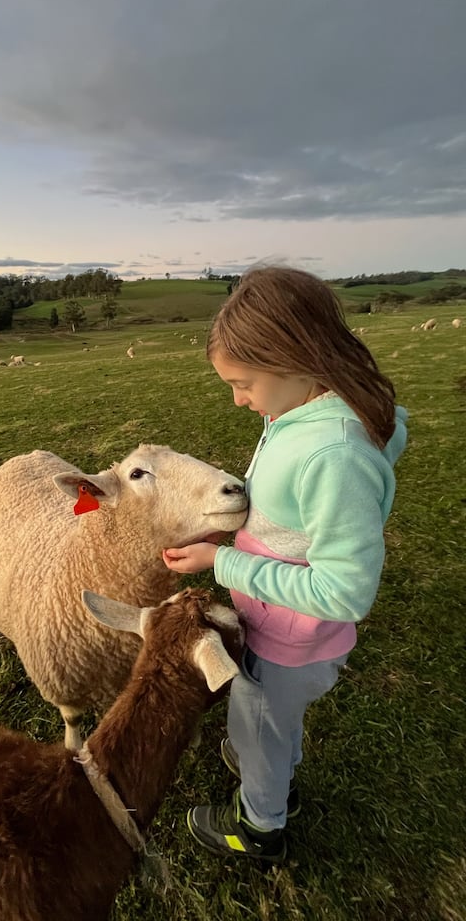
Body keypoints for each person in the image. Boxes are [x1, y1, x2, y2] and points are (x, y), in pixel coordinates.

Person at [162, 266, 408, 864]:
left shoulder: (334, 451)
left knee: (261, 725)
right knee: (268, 724)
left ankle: (262, 824)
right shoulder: (305, 412)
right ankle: (270, 759)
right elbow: (289, 510)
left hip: (287, 642)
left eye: (242, 382)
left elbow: (345, 592)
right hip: (282, 625)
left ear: (293, 357)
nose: (237, 399)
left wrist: (224, 562)